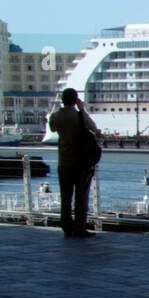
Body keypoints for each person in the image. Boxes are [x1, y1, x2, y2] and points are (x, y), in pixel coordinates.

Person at [47, 88, 99, 237]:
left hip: (63, 161)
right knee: (81, 197)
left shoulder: (55, 116)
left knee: (65, 196)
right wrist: (81, 109)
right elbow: (94, 128)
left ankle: (67, 227)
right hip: (81, 161)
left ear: (62, 100)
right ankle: (79, 227)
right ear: (76, 100)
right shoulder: (79, 115)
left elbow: (52, 128)